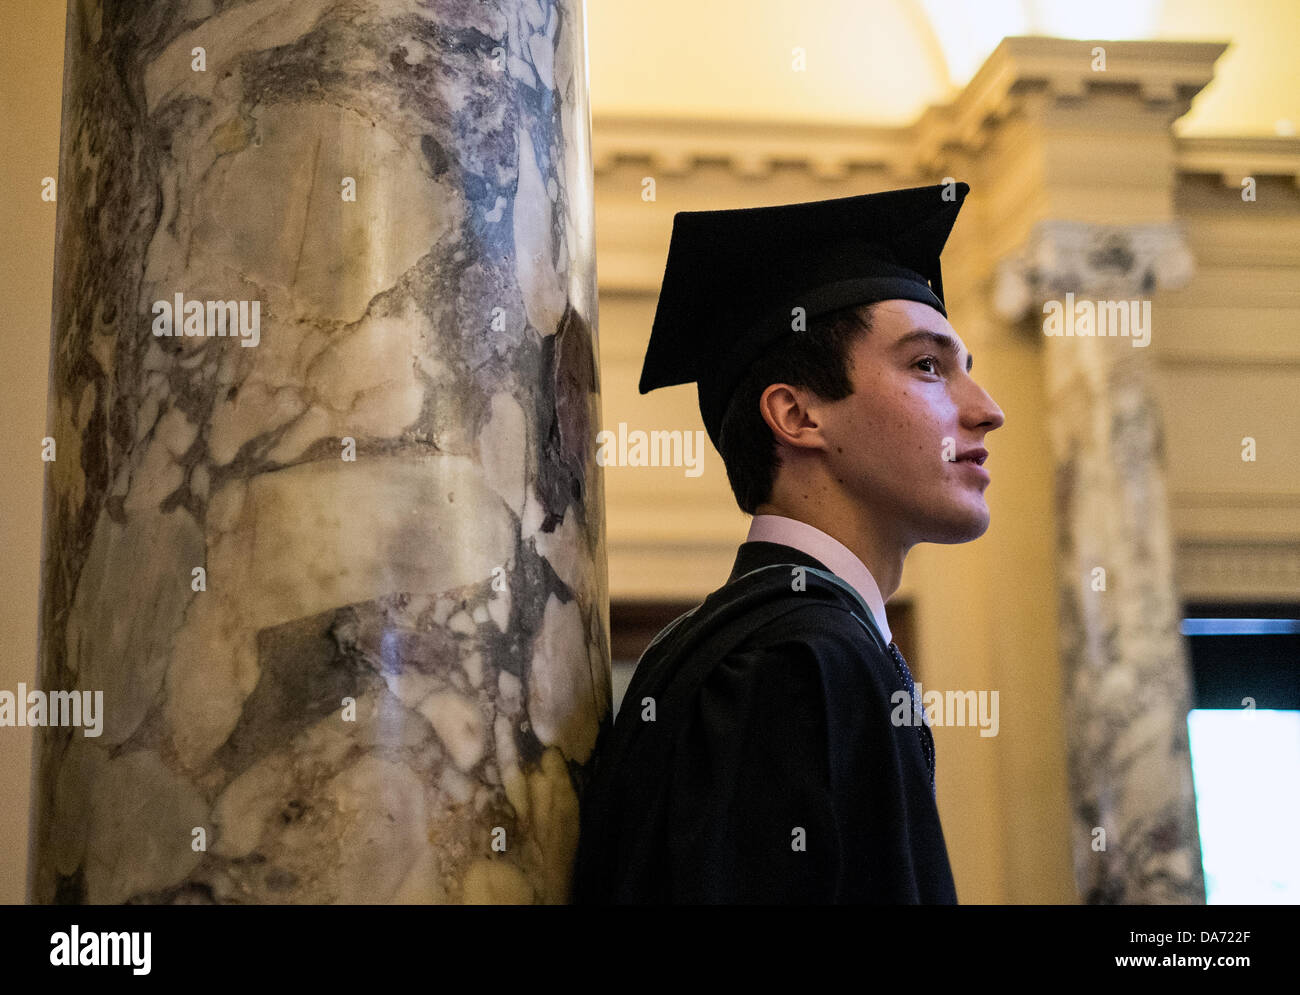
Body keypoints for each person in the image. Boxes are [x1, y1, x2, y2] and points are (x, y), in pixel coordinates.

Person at [573, 182, 1005, 903]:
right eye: (929, 366)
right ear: (798, 414)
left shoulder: (789, 643)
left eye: (968, 368)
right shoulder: (791, 665)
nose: (986, 410)